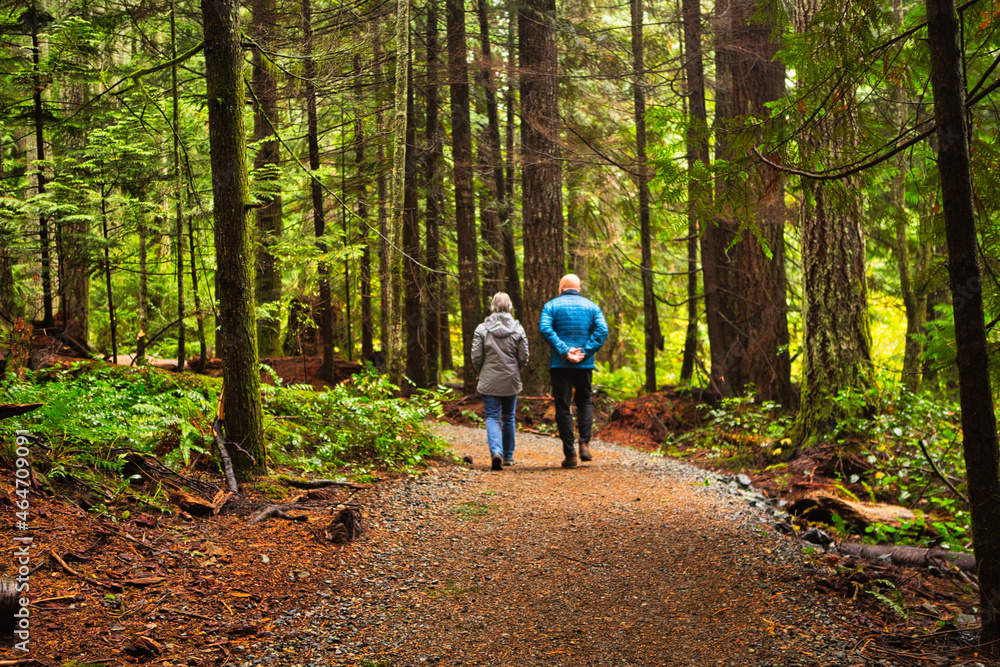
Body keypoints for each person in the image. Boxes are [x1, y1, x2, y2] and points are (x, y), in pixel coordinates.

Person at [539, 274, 608, 468]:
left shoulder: (551, 306)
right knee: (584, 401)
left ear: (561, 288)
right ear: (579, 289)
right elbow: (602, 330)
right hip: (584, 365)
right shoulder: (592, 307)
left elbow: (545, 329)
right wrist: (585, 352)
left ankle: (570, 454)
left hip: (560, 365)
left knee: (563, 406)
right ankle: (584, 443)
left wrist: (564, 350)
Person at [471, 292, 529, 471]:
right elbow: (524, 357)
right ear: (510, 308)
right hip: (511, 379)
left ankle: (496, 451)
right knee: (508, 417)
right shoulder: (518, 329)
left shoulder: (482, 329)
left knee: (492, 416)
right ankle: (508, 456)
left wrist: (482, 372)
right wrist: (516, 369)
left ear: (492, 307)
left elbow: (476, 357)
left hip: (489, 379)